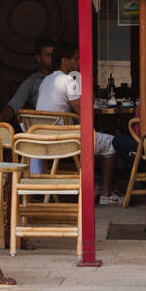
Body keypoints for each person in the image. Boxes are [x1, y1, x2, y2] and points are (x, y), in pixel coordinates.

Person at [35, 43, 122, 204]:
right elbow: (83, 111)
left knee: (98, 138)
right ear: (64, 61)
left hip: (43, 140)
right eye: (76, 59)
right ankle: (106, 194)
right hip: (63, 141)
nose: (79, 62)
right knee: (111, 143)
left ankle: (94, 184)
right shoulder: (69, 80)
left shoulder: (46, 80)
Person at [0, 38, 54, 128]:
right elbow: (13, 106)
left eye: (55, 55)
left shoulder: (66, 77)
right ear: (38, 58)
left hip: (66, 128)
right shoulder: (33, 81)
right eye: (48, 55)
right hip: (41, 129)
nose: (53, 59)